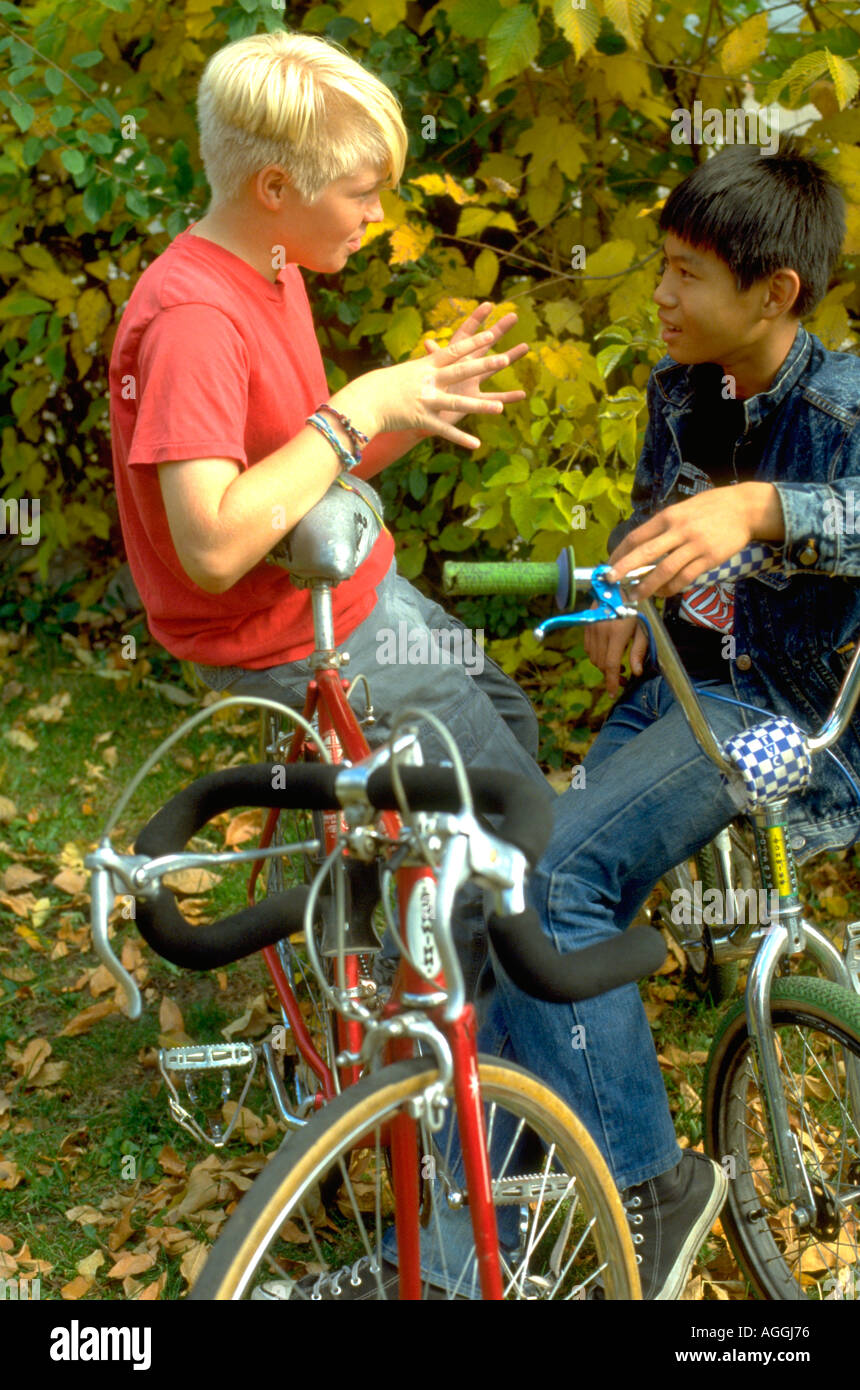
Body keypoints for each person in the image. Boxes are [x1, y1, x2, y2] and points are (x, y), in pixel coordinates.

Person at [476, 138, 860, 1298]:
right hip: (680, 689)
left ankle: (646, 1187)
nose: (658, 294)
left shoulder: (839, 406)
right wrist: (622, 592)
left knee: (554, 885)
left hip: (780, 715)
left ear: (773, 292)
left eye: (685, 273)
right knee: (523, 871)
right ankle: (516, 1167)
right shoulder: (682, 388)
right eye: (660, 265)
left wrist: (760, 506)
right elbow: (660, 527)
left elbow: (806, 512)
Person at [108, 30, 556, 999]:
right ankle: (449, 1111)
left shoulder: (271, 268)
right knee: (498, 831)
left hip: (354, 586)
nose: (375, 213)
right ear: (274, 188)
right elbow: (217, 542)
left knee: (513, 731)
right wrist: (358, 408)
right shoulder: (194, 322)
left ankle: (383, 969)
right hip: (301, 632)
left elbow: (299, 470)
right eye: (360, 192)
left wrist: (407, 405)